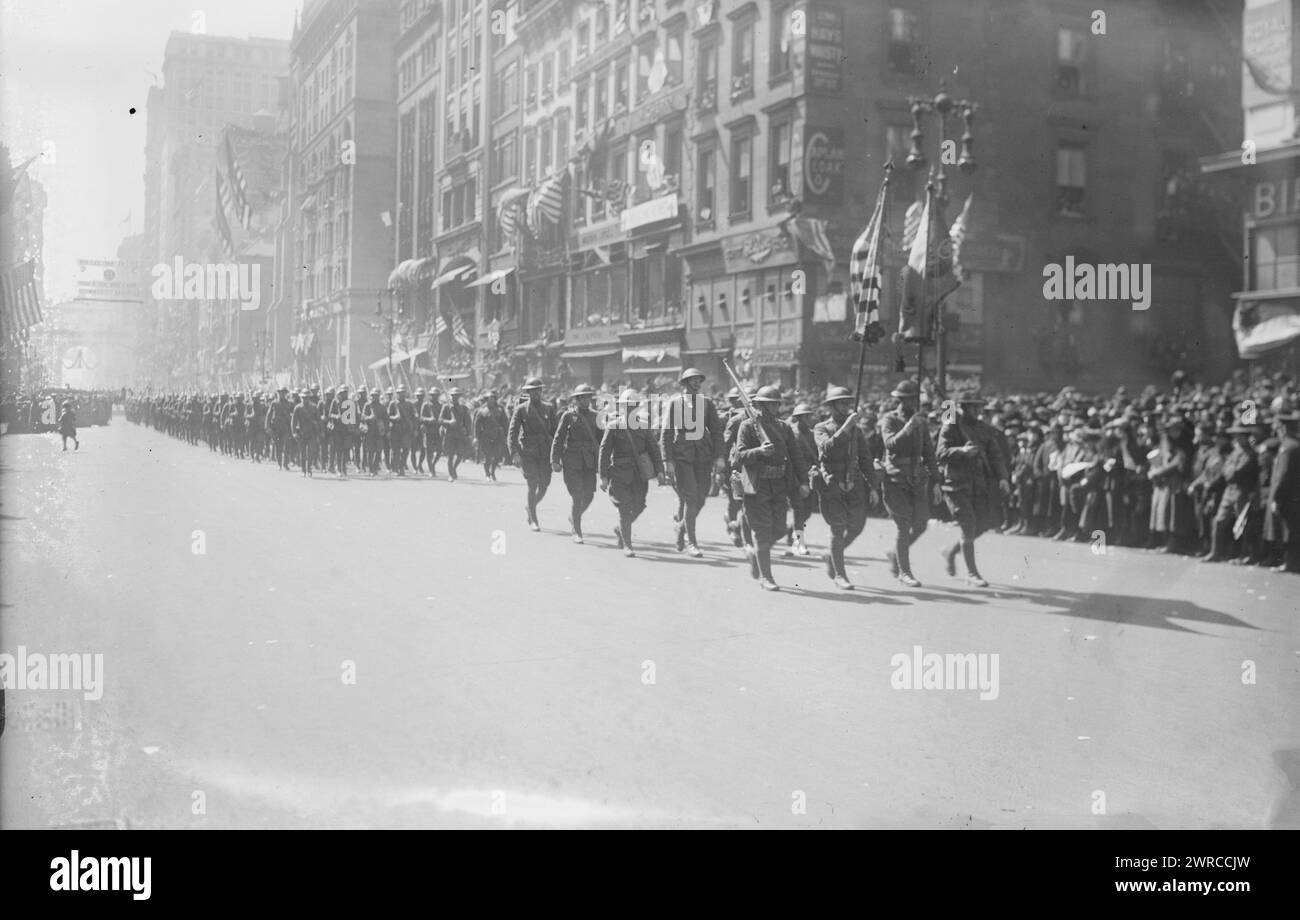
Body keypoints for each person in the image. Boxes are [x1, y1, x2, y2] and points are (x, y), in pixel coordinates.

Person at [732, 385, 809, 591]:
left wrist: (803, 481)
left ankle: (755, 555)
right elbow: (739, 456)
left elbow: (796, 456)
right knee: (763, 532)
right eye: (768, 404)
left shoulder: (783, 428)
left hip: (779, 484)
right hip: (758, 485)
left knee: (779, 529)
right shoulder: (747, 426)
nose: (773, 408)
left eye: (775, 404)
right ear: (759, 405)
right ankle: (767, 577)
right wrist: (759, 451)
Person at [936, 391, 1010, 587]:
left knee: (983, 524)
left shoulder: (984, 429)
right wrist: (961, 451)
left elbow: (995, 455)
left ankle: (951, 550)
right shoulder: (950, 426)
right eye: (973, 407)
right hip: (956, 485)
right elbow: (941, 453)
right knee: (968, 525)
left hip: (979, 485)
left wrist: (1003, 477)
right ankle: (972, 573)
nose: (977, 410)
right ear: (964, 407)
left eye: (979, 407)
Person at [659, 368, 727, 558]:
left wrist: (719, 456)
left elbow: (716, 432)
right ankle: (692, 542)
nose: (697, 383)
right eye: (692, 380)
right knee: (690, 497)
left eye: (699, 380)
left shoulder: (707, 403)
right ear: (685, 383)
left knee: (702, 497)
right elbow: (667, 433)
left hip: (703, 456)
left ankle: (681, 528)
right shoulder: (675, 403)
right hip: (682, 456)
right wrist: (667, 461)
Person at [814, 386, 876, 590]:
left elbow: (865, 458)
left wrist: (874, 486)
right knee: (838, 527)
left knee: (857, 526)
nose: (846, 406)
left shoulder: (856, 430)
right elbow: (826, 449)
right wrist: (847, 427)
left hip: (854, 481)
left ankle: (830, 555)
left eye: (848, 403)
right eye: (841, 403)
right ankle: (840, 575)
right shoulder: (821, 428)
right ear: (831, 407)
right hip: (832, 482)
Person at [877, 380, 937, 587]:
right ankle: (905, 572)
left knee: (920, 524)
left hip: (917, 479)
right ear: (900, 400)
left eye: (914, 398)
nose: (912, 402)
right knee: (903, 526)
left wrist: (937, 479)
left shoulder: (921, 421)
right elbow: (890, 444)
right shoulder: (889, 419)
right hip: (895, 478)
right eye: (908, 399)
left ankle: (895, 553)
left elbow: (928, 451)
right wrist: (909, 427)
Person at [599, 389, 665, 557]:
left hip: (639, 474)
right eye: (626, 406)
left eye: (633, 405)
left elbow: (654, 449)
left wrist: (660, 471)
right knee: (624, 507)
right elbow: (604, 452)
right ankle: (628, 545)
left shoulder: (643, 426)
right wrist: (603, 477)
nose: (629, 409)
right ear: (621, 407)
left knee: (640, 504)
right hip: (619, 473)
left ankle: (621, 529)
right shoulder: (613, 426)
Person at [552, 383, 601, 543]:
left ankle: (574, 517)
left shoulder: (596, 416)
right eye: (582, 398)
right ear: (577, 400)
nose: (586, 401)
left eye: (588, 397)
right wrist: (555, 460)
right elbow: (558, 438)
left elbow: (603, 440)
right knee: (577, 495)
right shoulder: (568, 416)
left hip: (589, 462)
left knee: (589, 495)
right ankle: (577, 531)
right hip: (572, 461)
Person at [508, 377, 557, 530]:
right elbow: (512, 432)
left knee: (544, 485)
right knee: (532, 484)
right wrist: (514, 453)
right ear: (528, 392)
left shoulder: (549, 408)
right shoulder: (521, 409)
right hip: (528, 452)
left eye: (538, 390)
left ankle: (531, 506)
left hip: (545, 452)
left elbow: (555, 432)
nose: (536, 393)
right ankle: (534, 519)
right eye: (533, 391)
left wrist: (556, 454)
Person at [1268, 409, 1300, 573]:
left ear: (1284, 428)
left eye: (1278, 428)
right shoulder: (1294, 445)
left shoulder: (1287, 448)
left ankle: (1290, 564)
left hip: (1288, 497)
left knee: (1290, 531)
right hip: (1294, 496)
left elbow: (1283, 476)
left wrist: (1276, 498)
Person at [784, 403, 819, 557]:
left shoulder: (811, 434)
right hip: (797, 477)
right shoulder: (794, 434)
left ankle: (791, 531)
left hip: (811, 475)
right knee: (799, 510)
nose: (810, 419)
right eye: (807, 416)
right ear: (799, 418)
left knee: (808, 510)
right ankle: (799, 542)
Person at [439, 388, 473, 481]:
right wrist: (449, 422)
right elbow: (440, 419)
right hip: (450, 434)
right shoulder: (446, 407)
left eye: (457, 396)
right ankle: (450, 474)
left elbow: (468, 422)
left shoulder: (464, 408)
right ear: (451, 396)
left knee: (460, 454)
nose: (455, 397)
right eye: (454, 396)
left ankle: (454, 468)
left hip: (460, 434)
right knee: (450, 455)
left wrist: (469, 433)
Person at [474, 393, 509, 481]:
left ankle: (492, 471)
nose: (491, 400)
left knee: (497, 456)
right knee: (488, 457)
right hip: (486, 436)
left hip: (498, 435)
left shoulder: (500, 410)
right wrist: (477, 437)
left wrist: (506, 434)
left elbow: (505, 422)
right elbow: (477, 425)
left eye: (492, 398)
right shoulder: (481, 411)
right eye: (489, 399)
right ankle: (487, 473)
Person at [328, 385, 358, 479]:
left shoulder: (350, 403)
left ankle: (343, 468)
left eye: (345, 392)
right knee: (338, 450)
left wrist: (353, 427)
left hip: (347, 430)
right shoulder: (335, 402)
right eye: (342, 393)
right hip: (337, 430)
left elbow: (355, 416)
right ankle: (339, 469)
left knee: (346, 450)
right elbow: (330, 414)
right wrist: (336, 416)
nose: (344, 394)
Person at [292, 388, 321, 477]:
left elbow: (318, 420)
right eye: (304, 397)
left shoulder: (314, 407)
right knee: (303, 452)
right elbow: (293, 421)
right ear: (301, 398)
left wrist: (320, 431)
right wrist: (294, 432)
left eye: (307, 397)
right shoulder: (298, 408)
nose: (305, 399)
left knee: (311, 451)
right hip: (301, 433)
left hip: (311, 433)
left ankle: (309, 468)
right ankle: (303, 470)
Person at [387, 385, 416, 476]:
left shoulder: (409, 404)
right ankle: (397, 468)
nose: (402, 395)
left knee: (406, 449)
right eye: (400, 393)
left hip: (406, 431)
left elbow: (413, 417)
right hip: (395, 430)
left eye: (403, 393)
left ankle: (401, 465)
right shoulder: (393, 403)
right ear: (397, 394)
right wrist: (395, 417)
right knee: (396, 450)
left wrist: (414, 428)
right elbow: (387, 417)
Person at [361, 389, 388, 476]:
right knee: (370, 451)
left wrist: (385, 430)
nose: (374, 397)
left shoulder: (382, 407)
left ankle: (375, 467)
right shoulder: (368, 405)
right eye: (373, 396)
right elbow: (363, 417)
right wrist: (370, 417)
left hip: (379, 432)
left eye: (376, 396)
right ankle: (371, 470)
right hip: (369, 431)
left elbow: (386, 419)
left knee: (379, 451)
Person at [266, 386, 293, 470]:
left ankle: (285, 464)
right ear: (278, 393)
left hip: (286, 428)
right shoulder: (274, 403)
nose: (282, 394)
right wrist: (267, 427)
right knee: (278, 446)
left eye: (284, 393)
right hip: (276, 428)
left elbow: (293, 415)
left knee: (287, 445)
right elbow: (269, 414)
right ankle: (279, 464)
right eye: (281, 393)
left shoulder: (289, 403)